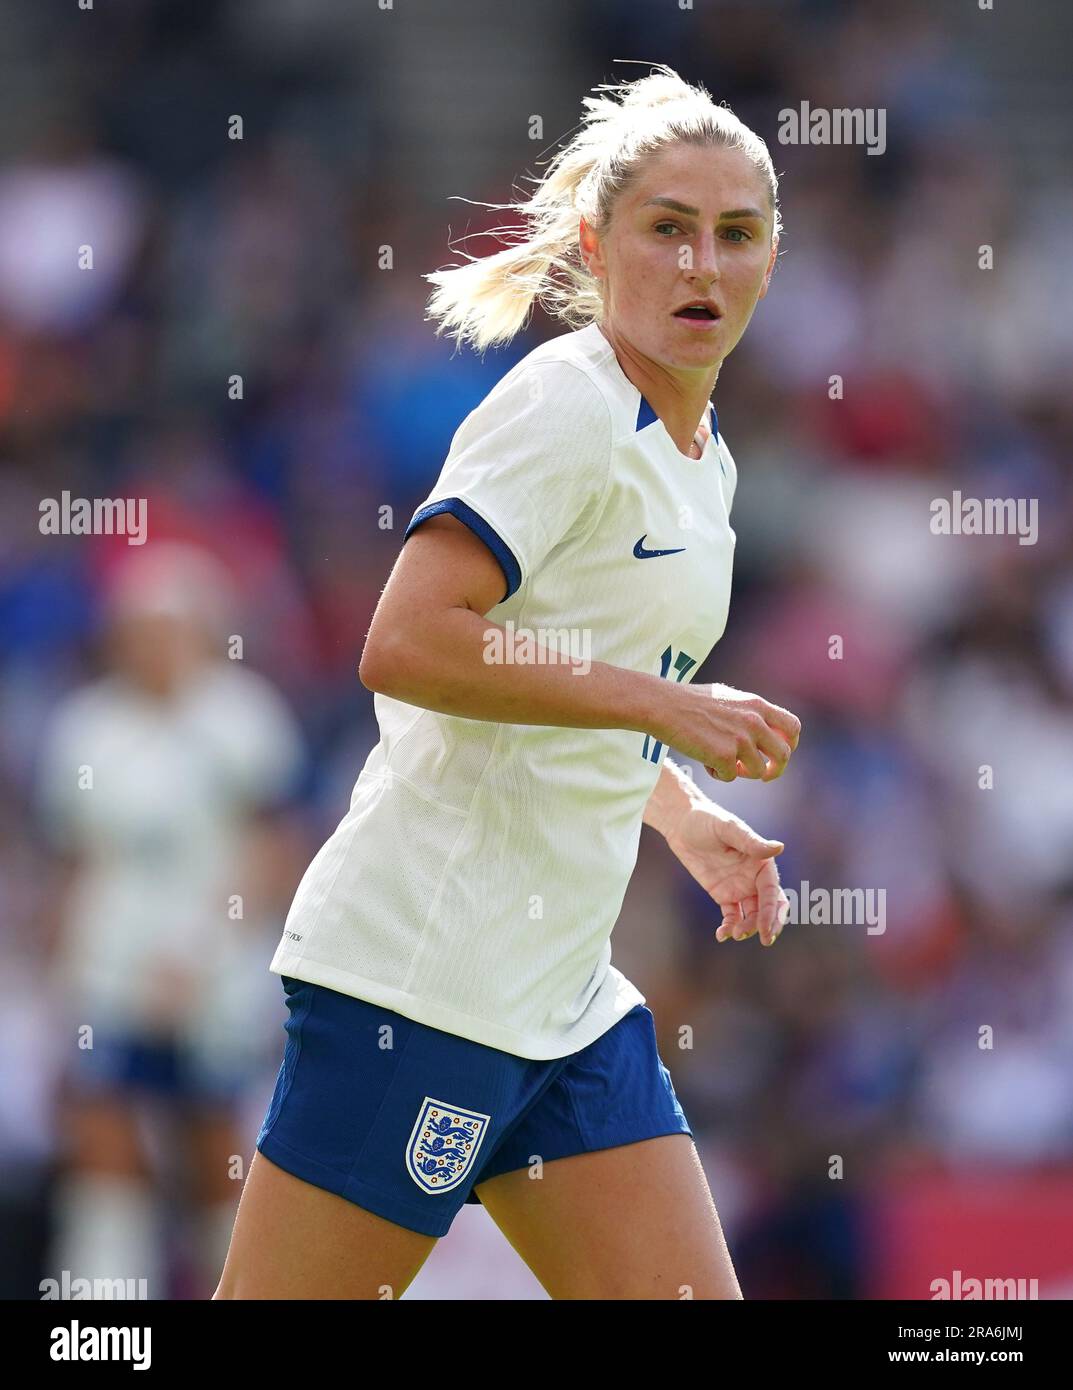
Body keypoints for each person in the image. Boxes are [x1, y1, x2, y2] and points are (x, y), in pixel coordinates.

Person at [215, 63, 801, 1301]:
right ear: (595, 243)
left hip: (564, 995)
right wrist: (664, 710)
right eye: (667, 229)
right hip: (421, 979)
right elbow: (411, 641)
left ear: (767, 258)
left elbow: (566, 674)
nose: (702, 263)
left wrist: (680, 814)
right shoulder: (563, 404)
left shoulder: (707, 464)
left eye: (734, 235)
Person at [39, 542, 304, 1298]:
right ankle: (105, 1312)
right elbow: (73, 863)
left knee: (218, 1141)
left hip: (214, 974)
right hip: (110, 971)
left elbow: (270, 851)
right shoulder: (84, 727)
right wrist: (62, 980)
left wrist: (204, 949)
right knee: (103, 1140)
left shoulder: (243, 718)